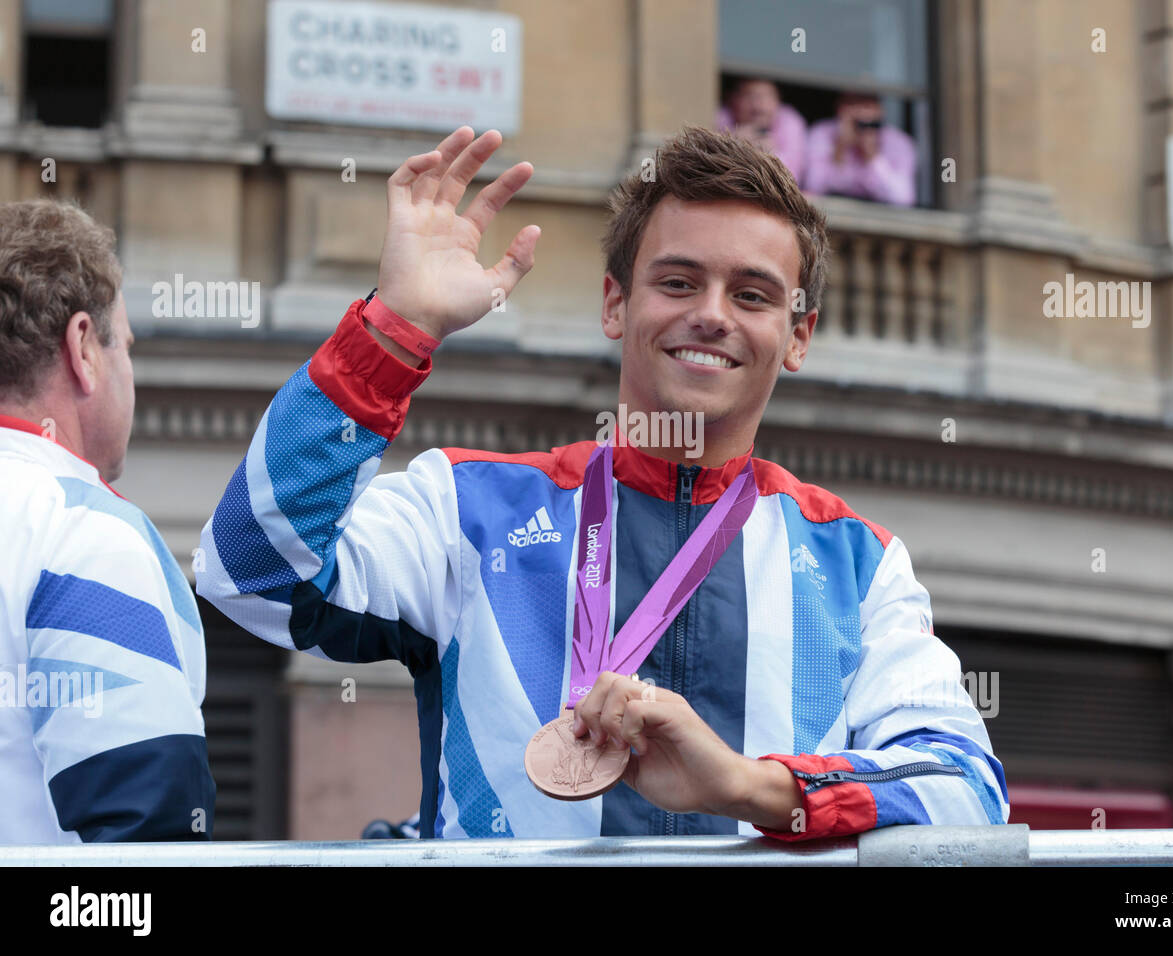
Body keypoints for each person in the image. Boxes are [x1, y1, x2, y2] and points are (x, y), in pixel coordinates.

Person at [197, 125, 1008, 840]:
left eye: (752, 294)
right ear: (616, 304)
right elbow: (251, 571)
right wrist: (392, 332)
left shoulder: (857, 564)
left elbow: (966, 789)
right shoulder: (467, 510)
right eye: (678, 282)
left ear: (797, 336)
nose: (713, 315)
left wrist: (751, 787)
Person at [0, 199, 215, 843]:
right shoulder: (82, 532)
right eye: (125, 346)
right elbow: (147, 843)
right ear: (83, 348)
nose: (130, 372)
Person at [803, 91, 917, 206]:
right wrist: (840, 148)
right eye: (852, 104)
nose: (860, 113)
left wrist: (872, 156)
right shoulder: (821, 133)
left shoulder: (898, 142)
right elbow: (813, 188)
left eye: (866, 105)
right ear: (839, 108)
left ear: (879, 111)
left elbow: (903, 199)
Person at [716, 77, 808, 184]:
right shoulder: (721, 117)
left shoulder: (789, 120)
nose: (758, 105)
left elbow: (793, 179)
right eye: (749, 96)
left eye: (766, 96)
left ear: (778, 100)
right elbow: (711, 172)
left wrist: (772, 155)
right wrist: (732, 145)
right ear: (734, 100)